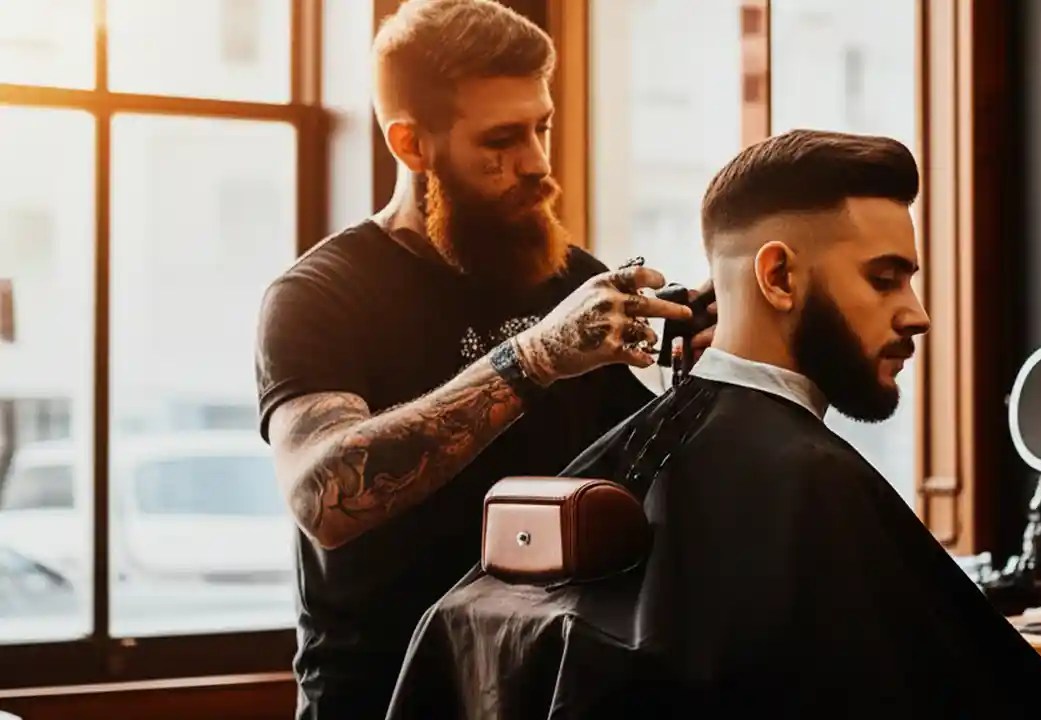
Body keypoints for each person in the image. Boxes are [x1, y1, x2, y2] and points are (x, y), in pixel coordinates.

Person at [384, 130, 1041, 718]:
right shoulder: (808, 480)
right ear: (780, 278)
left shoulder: (678, 446)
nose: (915, 312)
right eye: (884, 279)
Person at [254, 1, 709, 717]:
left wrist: (705, 372)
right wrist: (533, 358)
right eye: (501, 139)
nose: (536, 162)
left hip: (546, 688)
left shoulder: (570, 280)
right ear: (411, 145)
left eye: (542, 127)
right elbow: (322, 498)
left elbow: (644, 487)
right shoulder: (321, 295)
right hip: (383, 696)